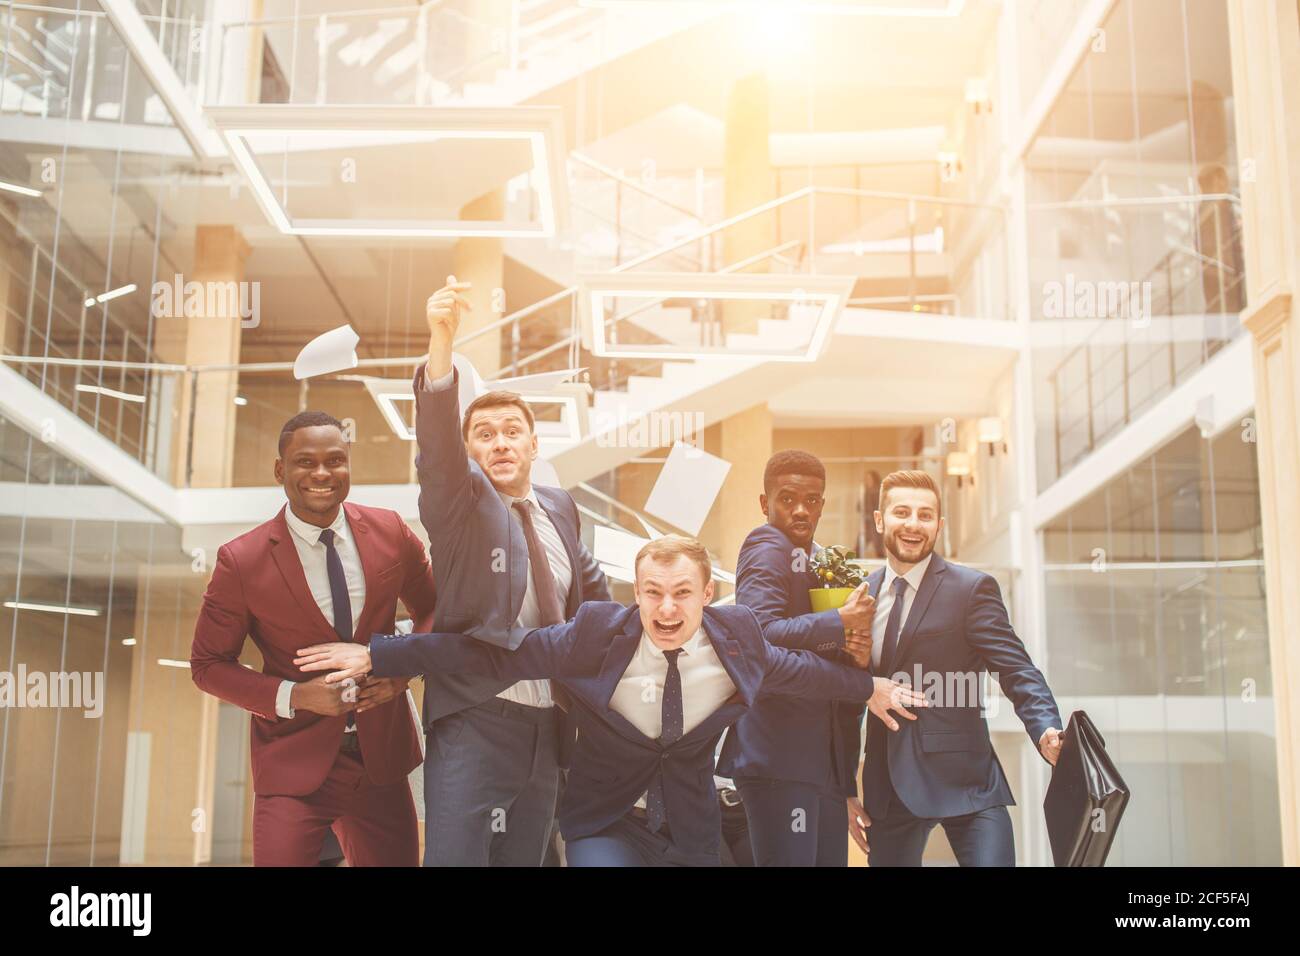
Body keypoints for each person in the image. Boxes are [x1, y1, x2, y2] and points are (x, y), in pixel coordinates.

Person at [295, 535, 925, 867]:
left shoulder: (739, 638)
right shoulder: (596, 635)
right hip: (606, 819)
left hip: (689, 827)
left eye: (682, 592)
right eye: (653, 593)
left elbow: (795, 672)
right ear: (637, 591)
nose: (667, 610)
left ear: (709, 593)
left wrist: (868, 688)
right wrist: (385, 653)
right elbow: (497, 655)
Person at [410, 276, 611, 866]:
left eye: (511, 432)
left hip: (549, 727)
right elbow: (436, 453)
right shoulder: (459, 509)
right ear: (470, 451)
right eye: (484, 434)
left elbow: (592, 607)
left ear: (533, 443)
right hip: (476, 718)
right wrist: (441, 345)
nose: (499, 443)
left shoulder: (560, 507)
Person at [190, 411, 435, 866]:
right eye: (305, 462)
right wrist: (296, 696)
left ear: (348, 465)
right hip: (291, 765)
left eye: (335, 460)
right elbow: (207, 665)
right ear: (280, 470)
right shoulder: (241, 560)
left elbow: (436, 611)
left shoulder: (391, 532)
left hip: (380, 762)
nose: (322, 474)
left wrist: (400, 668)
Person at [847, 470, 1064, 867]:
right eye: (902, 512)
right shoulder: (861, 596)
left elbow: (1016, 668)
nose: (914, 524)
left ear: (939, 526)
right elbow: (845, 697)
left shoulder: (971, 589)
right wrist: (845, 785)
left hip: (967, 783)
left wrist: (1045, 726)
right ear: (879, 520)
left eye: (926, 515)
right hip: (889, 790)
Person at [717, 450, 876, 866]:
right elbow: (760, 638)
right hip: (779, 761)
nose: (801, 510)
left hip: (817, 765)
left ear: (823, 503)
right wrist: (838, 620)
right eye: (787, 499)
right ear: (765, 504)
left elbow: (812, 647)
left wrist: (854, 655)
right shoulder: (766, 543)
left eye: (812, 500)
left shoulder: (818, 558)